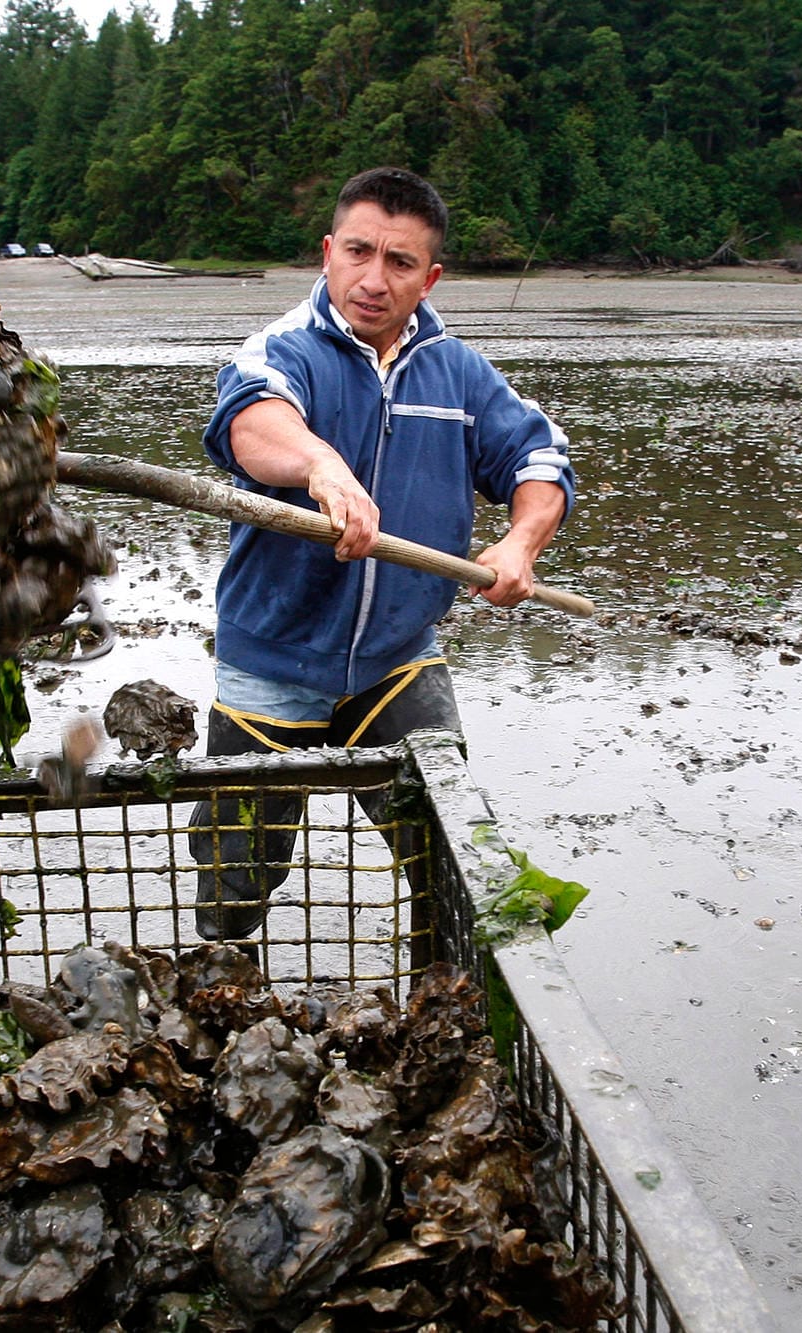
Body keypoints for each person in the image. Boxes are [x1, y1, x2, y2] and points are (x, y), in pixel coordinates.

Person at [188, 166, 576, 939]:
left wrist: (520, 542)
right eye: (358, 252)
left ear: (429, 278)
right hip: (271, 660)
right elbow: (251, 424)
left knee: (452, 855)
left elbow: (541, 459)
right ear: (327, 253)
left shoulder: (458, 373)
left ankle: (449, 1001)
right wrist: (322, 468)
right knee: (236, 873)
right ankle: (223, 997)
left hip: (398, 658)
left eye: (399, 262)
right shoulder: (283, 351)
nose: (373, 278)